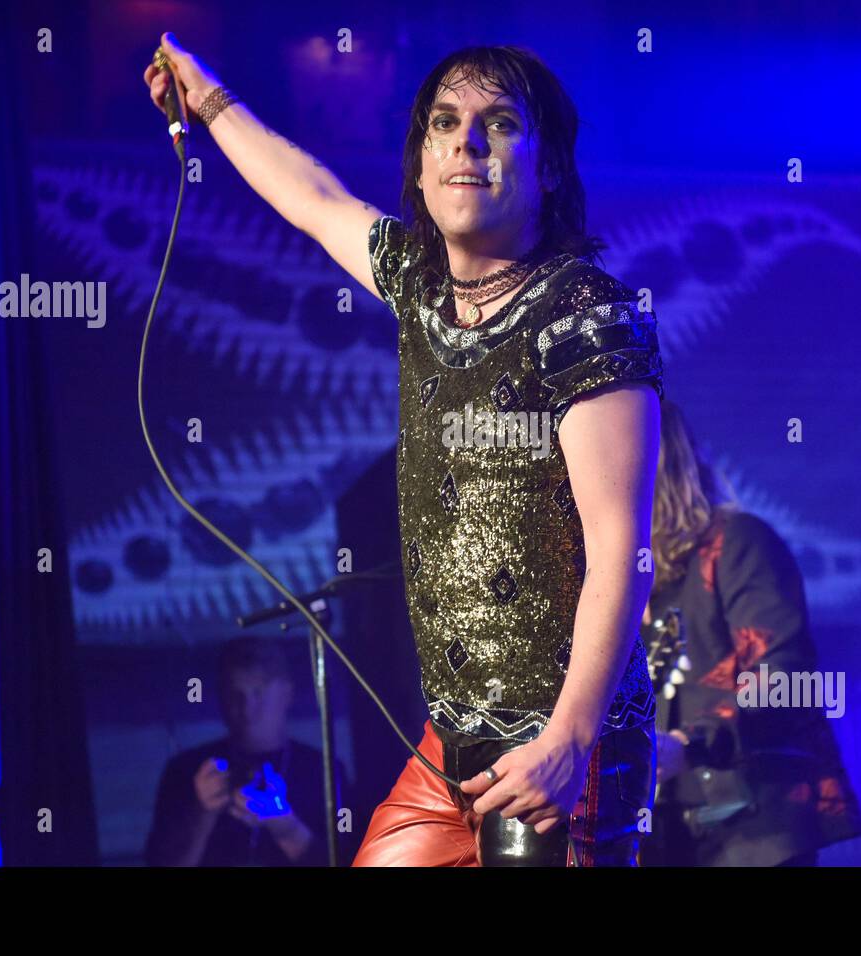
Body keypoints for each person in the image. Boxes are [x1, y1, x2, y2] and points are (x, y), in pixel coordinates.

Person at [145, 39, 662, 866]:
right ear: (421, 166)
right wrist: (207, 101)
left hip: (560, 748)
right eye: (447, 124)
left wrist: (568, 741)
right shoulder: (421, 291)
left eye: (500, 125)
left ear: (551, 169)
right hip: (450, 746)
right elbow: (312, 198)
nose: (468, 143)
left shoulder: (583, 314)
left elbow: (623, 553)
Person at [640, 399, 861, 866]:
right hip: (663, 838)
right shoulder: (618, 582)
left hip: (753, 828)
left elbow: (781, 675)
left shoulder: (738, 542)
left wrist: (692, 744)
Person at [145, 637, 337, 866]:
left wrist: (287, 828)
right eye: (235, 693)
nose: (247, 707)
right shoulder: (186, 771)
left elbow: (349, 859)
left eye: (258, 692)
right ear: (221, 697)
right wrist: (202, 812)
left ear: (286, 693)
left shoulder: (323, 770)